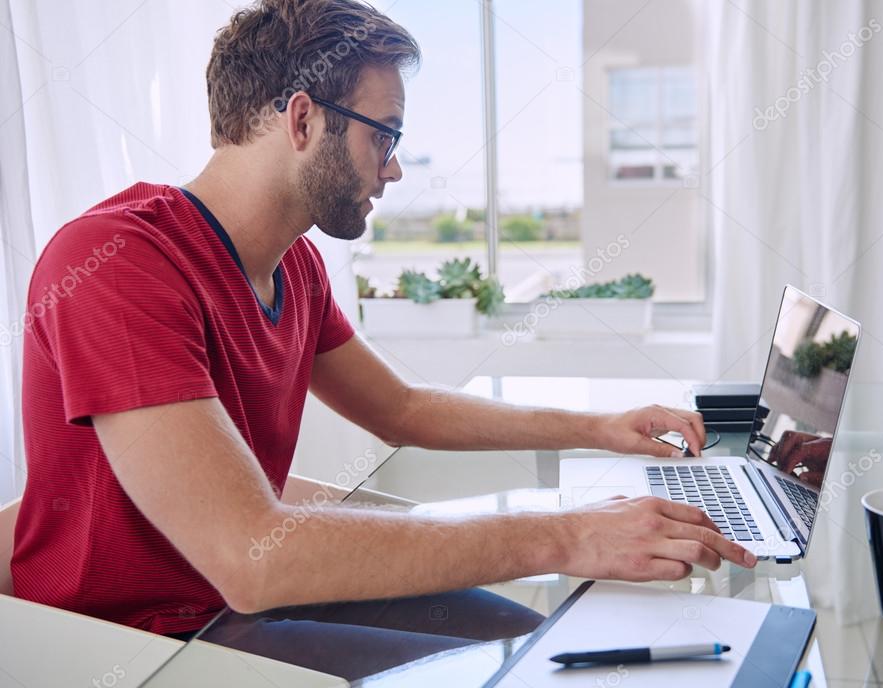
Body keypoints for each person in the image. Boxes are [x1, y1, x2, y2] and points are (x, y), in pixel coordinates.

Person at [11, 0, 755, 678]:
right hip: (142, 640)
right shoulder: (118, 263)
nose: (393, 168)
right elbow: (249, 558)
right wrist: (567, 535)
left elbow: (401, 409)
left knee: (543, 647)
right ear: (303, 120)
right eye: (384, 134)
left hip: (238, 598)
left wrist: (600, 428)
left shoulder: (294, 266)